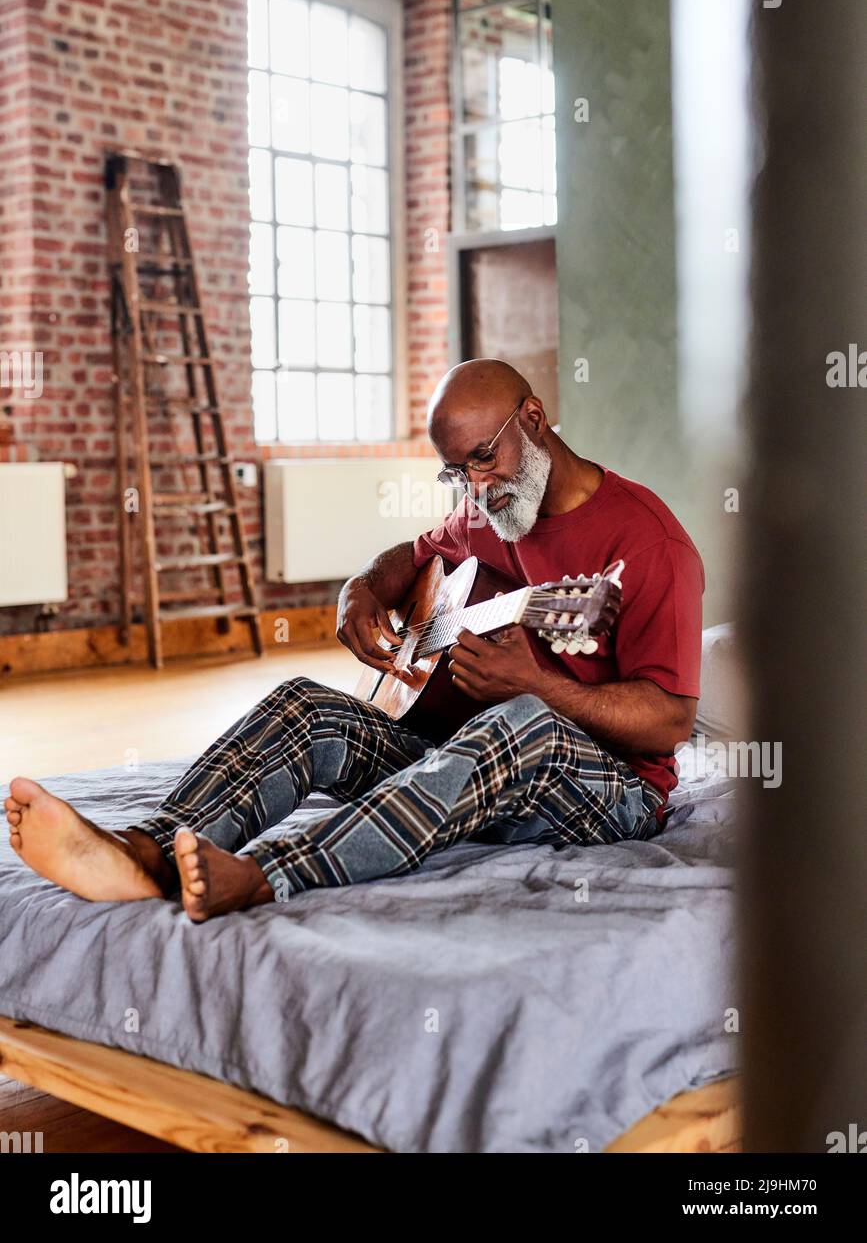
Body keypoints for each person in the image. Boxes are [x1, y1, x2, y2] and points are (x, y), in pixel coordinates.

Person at [4, 359, 704, 923]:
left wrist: (540, 688)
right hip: (469, 765)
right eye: (457, 471)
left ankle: (263, 877)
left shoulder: (648, 544)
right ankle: (145, 854)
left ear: (533, 417)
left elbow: (669, 721)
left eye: (483, 458)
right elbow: (414, 555)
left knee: (519, 722)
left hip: (612, 794)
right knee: (305, 707)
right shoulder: (489, 509)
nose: (476, 485)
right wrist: (361, 589)